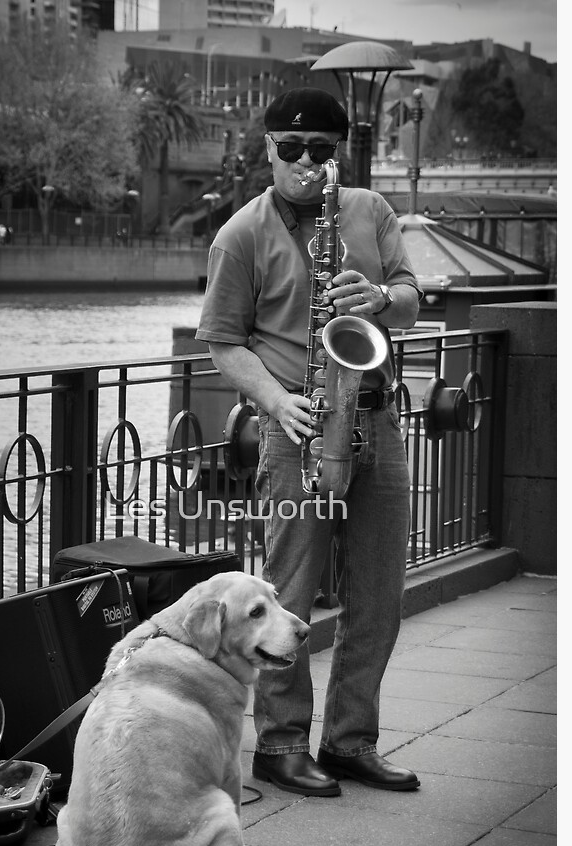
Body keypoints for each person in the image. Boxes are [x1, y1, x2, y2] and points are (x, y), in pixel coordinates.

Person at [195, 87, 422, 796]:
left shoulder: (372, 213)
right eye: (289, 149)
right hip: (296, 431)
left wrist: (381, 299)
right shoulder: (239, 235)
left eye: (319, 150)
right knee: (287, 597)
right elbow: (221, 343)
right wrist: (274, 400)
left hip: (374, 419)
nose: (303, 163)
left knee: (380, 597)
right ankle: (282, 743)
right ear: (268, 148)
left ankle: (351, 740)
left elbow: (414, 295)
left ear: (338, 153)